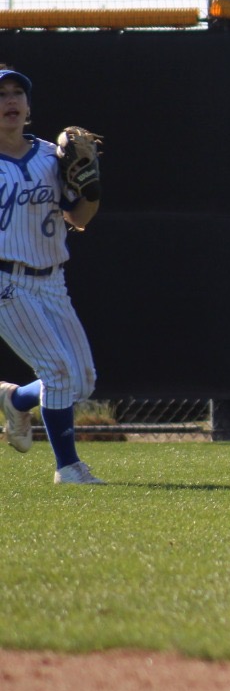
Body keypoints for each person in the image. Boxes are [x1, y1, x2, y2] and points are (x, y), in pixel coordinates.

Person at [0, 64, 105, 484]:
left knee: (81, 381)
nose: (10, 101)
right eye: (0, 94)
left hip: (52, 279)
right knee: (57, 371)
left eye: (17, 93)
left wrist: (91, 191)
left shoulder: (50, 156)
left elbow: (79, 218)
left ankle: (15, 401)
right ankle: (69, 468)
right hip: (5, 279)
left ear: (28, 106)